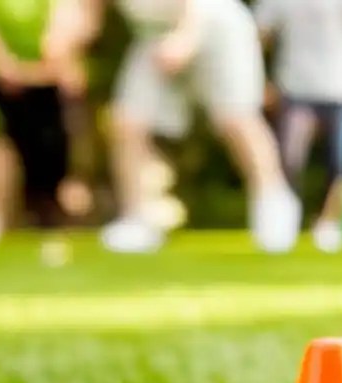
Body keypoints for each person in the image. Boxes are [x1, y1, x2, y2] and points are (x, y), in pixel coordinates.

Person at [47, 0, 301, 254]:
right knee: (127, 122)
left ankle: (274, 203)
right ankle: (137, 220)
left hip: (214, 25)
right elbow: (84, 8)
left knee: (235, 120)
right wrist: (63, 43)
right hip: (155, 35)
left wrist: (186, 36)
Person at [255, 0, 342, 253]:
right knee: (288, 159)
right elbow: (257, 38)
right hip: (295, 92)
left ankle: (328, 223)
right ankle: (284, 221)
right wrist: (258, 82)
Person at [0, 0, 75, 251]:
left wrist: (55, 58)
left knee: (50, 156)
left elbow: (69, 22)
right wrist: (3, 65)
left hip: (46, 84)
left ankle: (43, 220)